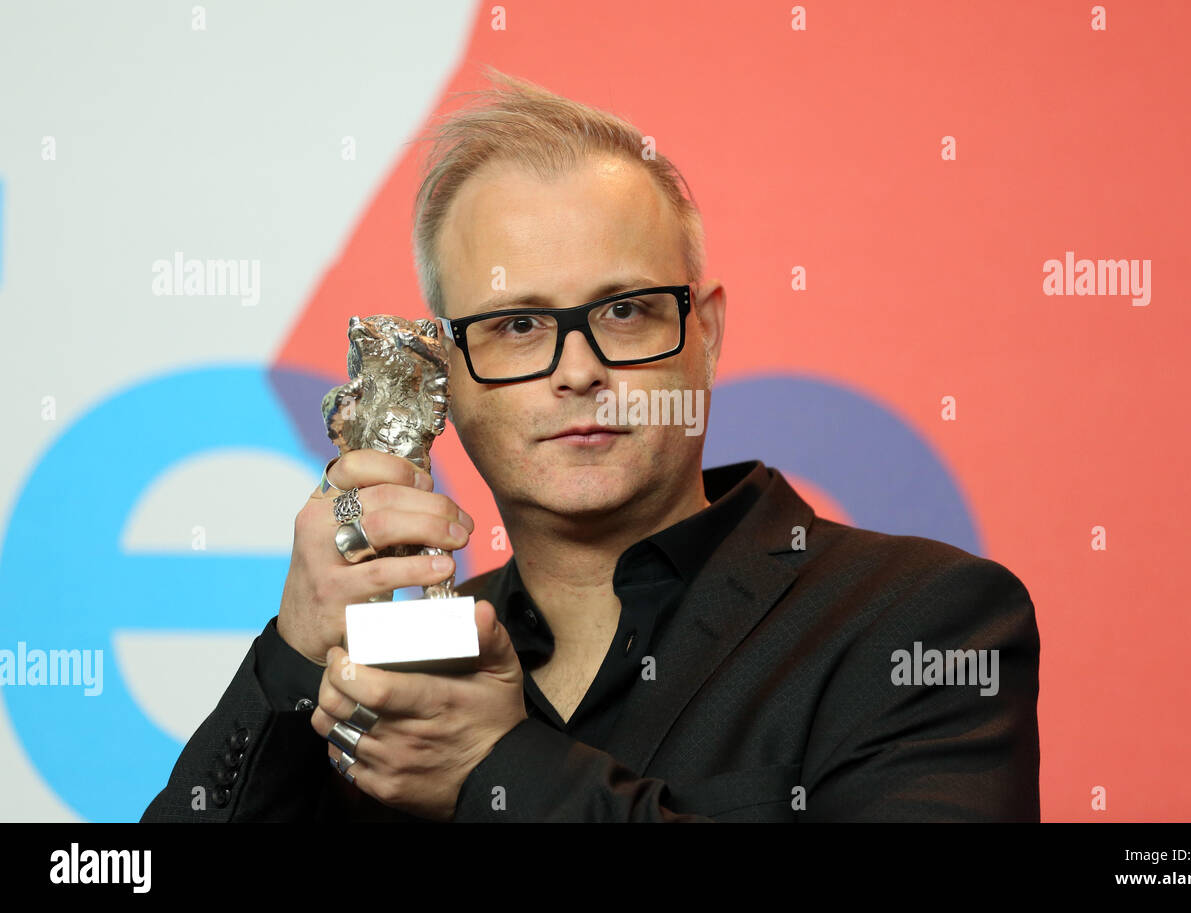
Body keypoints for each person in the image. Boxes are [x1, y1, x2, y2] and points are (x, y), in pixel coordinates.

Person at [141, 69, 1040, 822]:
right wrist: (292, 656)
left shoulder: (921, 621)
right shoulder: (385, 665)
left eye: (623, 310)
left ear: (709, 334)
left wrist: (499, 771)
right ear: (443, 370)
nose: (577, 371)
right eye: (519, 323)